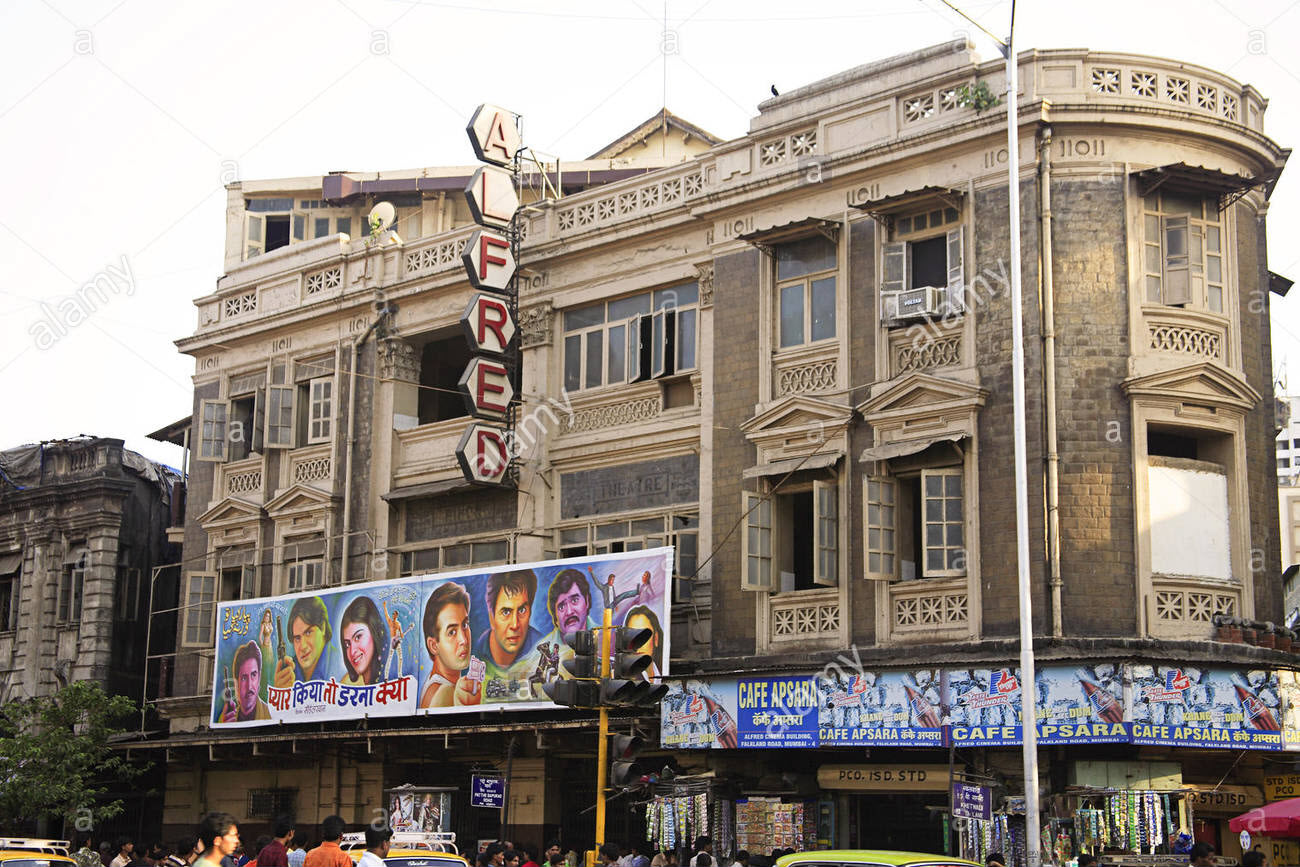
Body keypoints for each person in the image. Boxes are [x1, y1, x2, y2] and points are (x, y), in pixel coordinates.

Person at [420, 582, 481, 707]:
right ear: (433, 646)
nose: (463, 639)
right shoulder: (445, 693)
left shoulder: (440, 686)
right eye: (452, 632)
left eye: (464, 625)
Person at [274, 596, 342, 688]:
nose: (303, 646)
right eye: (297, 638)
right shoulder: (290, 671)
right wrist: (280, 693)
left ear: (323, 627)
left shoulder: (342, 666)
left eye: (308, 633)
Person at [338, 595, 389, 686]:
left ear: (374, 632)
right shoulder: (347, 685)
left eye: (358, 637)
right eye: (347, 644)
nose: (352, 651)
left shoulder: (391, 678)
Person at [221, 641, 272, 722]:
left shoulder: (271, 715)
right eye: (244, 678)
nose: (249, 686)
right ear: (237, 683)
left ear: (259, 677)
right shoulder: (230, 718)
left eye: (253, 675)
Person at [623, 605, 663, 680]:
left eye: (644, 635)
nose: (637, 644)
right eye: (631, 636)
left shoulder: (663, 673)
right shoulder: (624, 678)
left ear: (656, 639)